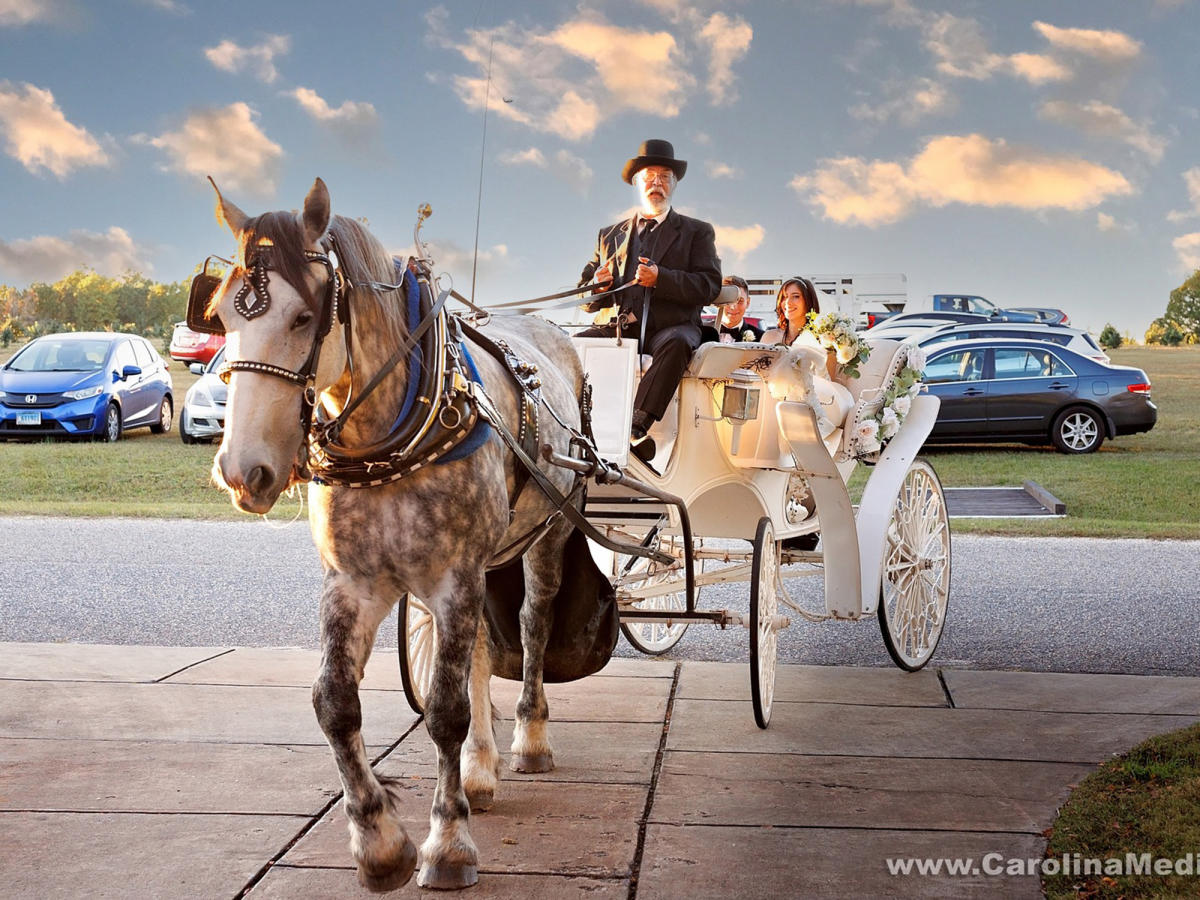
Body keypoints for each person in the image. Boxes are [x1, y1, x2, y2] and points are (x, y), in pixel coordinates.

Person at [576, 139, 721, 457]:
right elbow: (586, 298)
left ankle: (634, 428)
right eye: (650, 176)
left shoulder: (697, 232)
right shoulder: (608, 235)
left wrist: (662, 279)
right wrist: (597, 287)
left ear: (674, 184)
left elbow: (709, 285)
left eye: (664, 177)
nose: (657, 183)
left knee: (678, 342)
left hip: (670, 328)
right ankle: (572, 421)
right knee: (573, 345)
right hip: (617, 327)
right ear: (637, 183)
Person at [716, 275, 763, 342]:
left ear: (748, 302)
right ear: (718, 301)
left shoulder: (761, 337)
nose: (733, 307)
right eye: (728, 301)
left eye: (740, 301)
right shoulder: (703, 332)